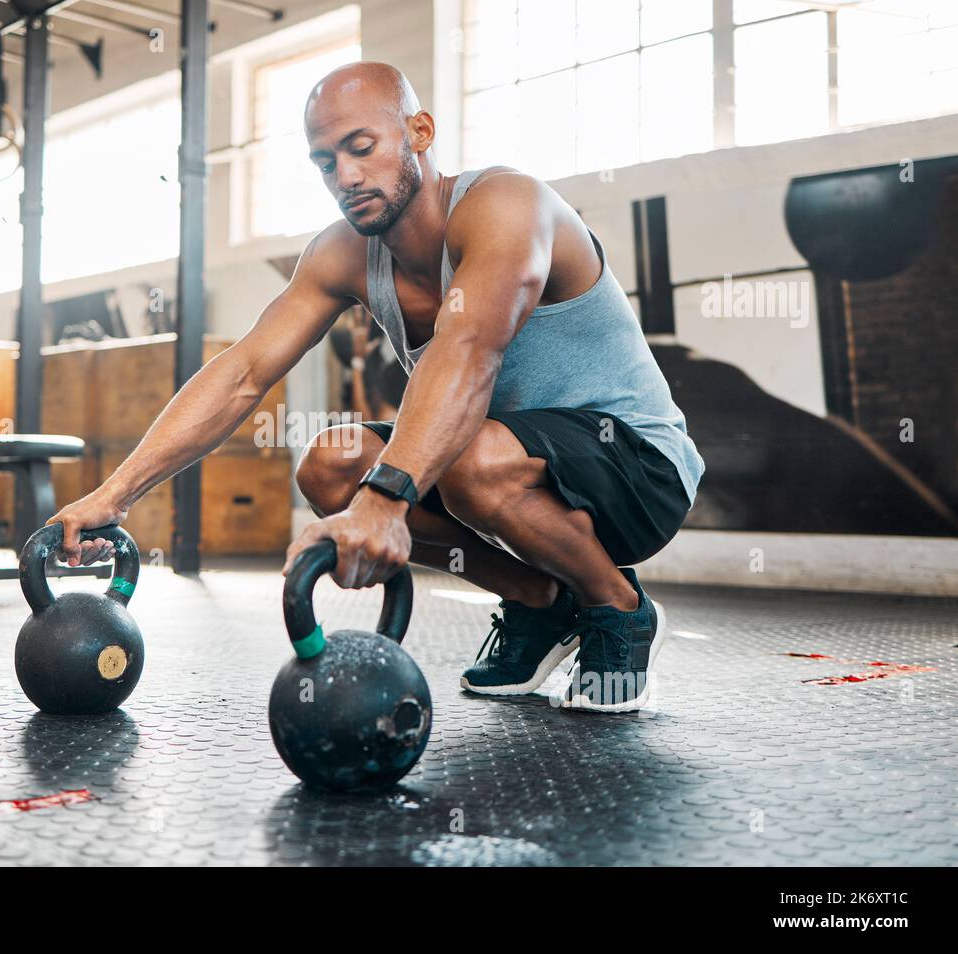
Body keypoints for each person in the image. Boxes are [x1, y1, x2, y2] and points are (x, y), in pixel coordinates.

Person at [49, 61, 705, 712]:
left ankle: (617, 608)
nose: (346, 176)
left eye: (362, 148)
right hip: (508, 471)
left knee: (465, 463)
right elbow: (243, 373)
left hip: (639, 474)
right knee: (333, 467)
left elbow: (469, 352)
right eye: (325, 162)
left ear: (419, 132)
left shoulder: (507, 205)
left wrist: (387, 499)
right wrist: (114, 495)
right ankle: (542, 600)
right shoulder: (340, 255)